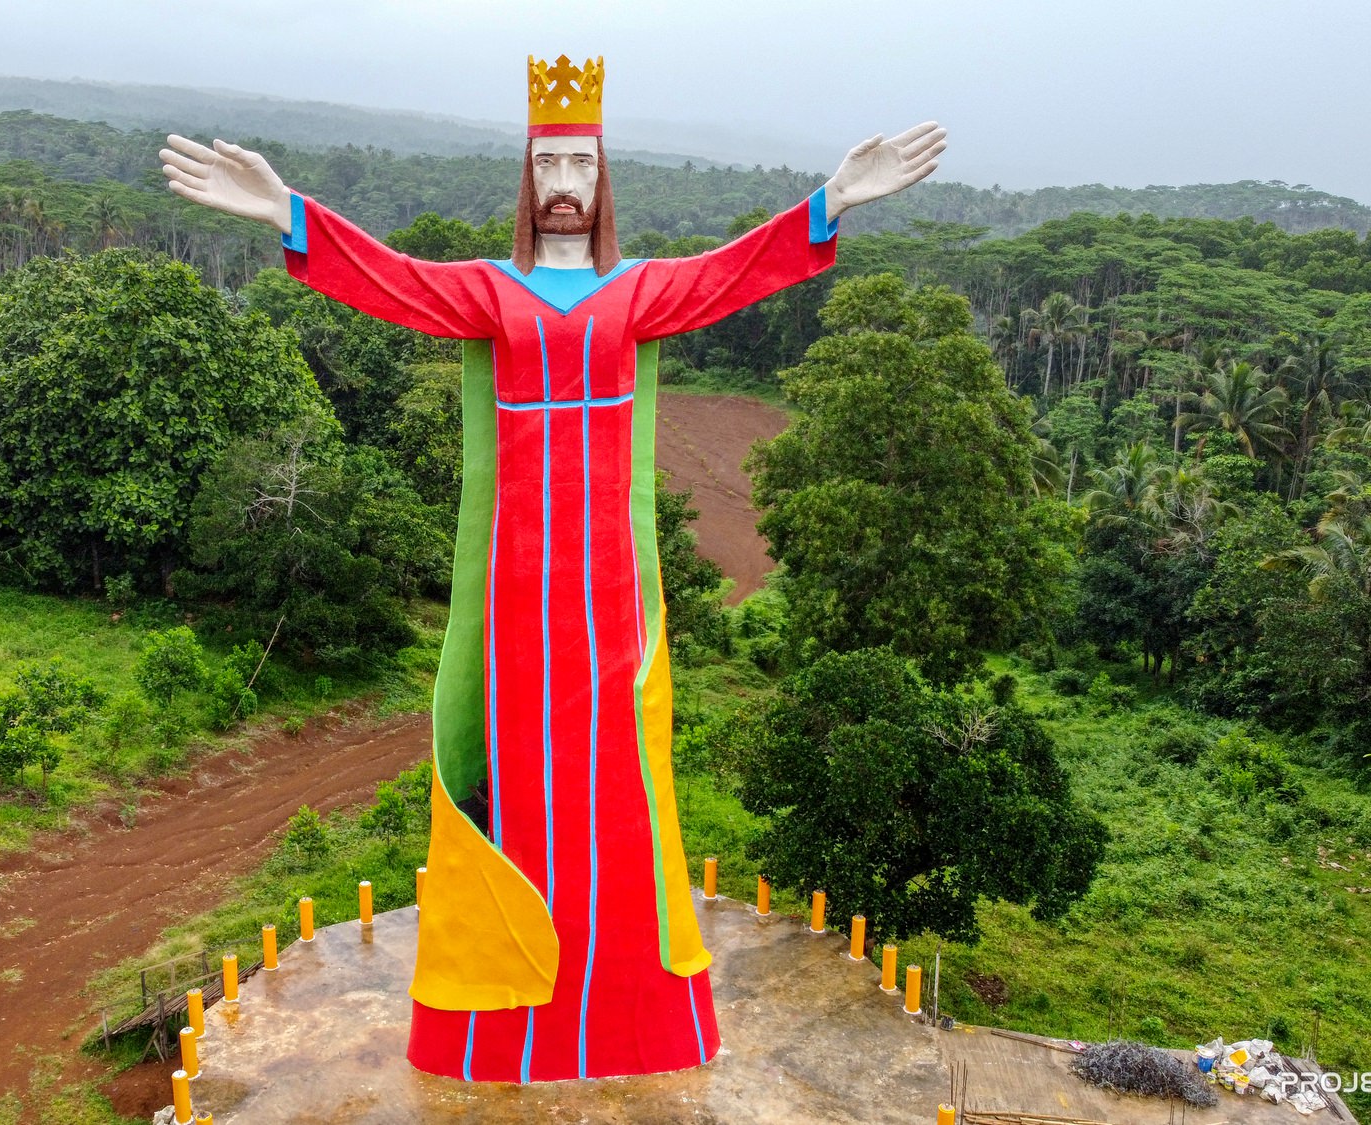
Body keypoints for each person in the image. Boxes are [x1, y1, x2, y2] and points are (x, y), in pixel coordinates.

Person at [160, 54, 945, 1083]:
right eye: (548, 164)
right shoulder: (491, 293)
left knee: (620, 796)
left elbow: (730, 271)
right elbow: (399, 282)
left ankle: (629, 1022)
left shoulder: (635, 295)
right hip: (521, 607)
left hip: (611, 604)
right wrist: (290, 215)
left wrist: (830, 201)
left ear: (602, 177)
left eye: (580, 160)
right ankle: (511, 1024)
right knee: (526, 792)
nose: (564, 180)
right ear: (527, 184)